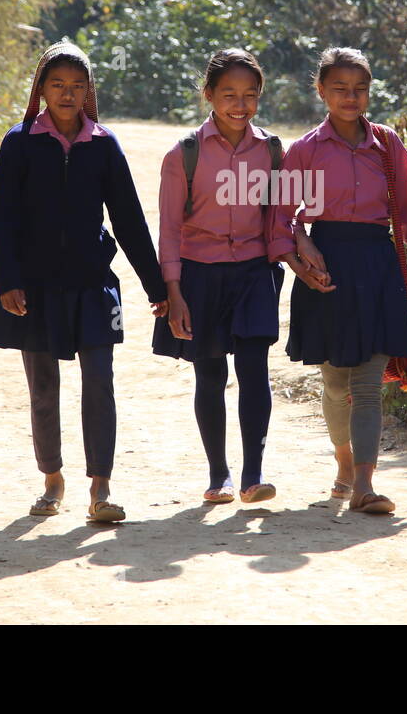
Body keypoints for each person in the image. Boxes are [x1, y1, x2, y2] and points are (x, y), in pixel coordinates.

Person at [0, 40, 168, 523]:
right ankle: (52, 480)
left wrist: (156, 286)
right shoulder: (19, 142)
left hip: (92, 284)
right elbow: (1, 220)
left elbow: (128, 220)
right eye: (57, 84)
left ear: (88, 91)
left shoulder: (103, 146)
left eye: (77, 85)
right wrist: (8, 282)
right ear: (41, 88)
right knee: (43, 389)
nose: (67, 94)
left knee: (99, 382)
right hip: (35, 288)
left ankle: (100, 489)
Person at [267, 47, 407, 515]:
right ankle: (343, 461)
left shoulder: (387, 144)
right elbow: (281, 220)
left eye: (360, 88)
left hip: (379, 264)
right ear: (320, 91)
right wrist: (303, 254)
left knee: (366, 383)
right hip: (327, 267)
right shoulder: (303, 150)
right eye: (339, 88)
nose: (350, 97)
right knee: (336, 382)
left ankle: (364, 481)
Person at [153, 48, 285, 505]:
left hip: (253, 273)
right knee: (209, 375)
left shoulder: (271, 151)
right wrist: (172, 291)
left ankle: (254, 473)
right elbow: (168, 228)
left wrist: (297, 254)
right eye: (228, 93)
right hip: (199, 277)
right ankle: (219, 474)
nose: (240, 104)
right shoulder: (184, 154)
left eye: (250, 94)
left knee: (254, 371)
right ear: (208, 95)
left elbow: (281, 218)